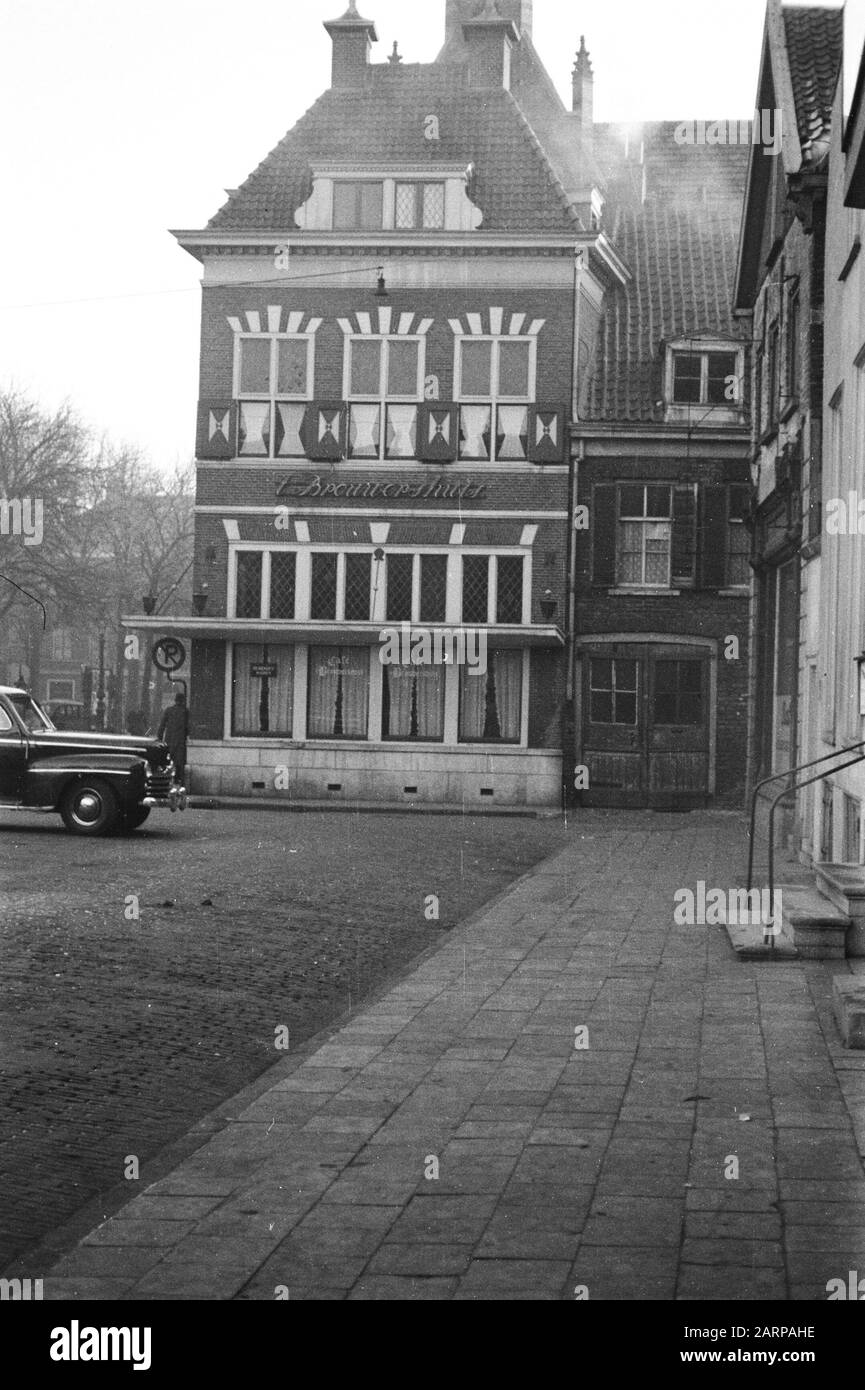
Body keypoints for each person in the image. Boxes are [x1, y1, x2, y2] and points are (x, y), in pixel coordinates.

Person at [157, 692, 189, 781]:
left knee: (168, 761)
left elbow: (162, 725)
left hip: (169, 740)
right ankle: (179, 781)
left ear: (175, 700)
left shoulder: (168, 710)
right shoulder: (185, 712)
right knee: (180, 763)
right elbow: (188, 727)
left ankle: (167, 780)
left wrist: (159, 737)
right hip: (180, 741)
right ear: (183, 701)